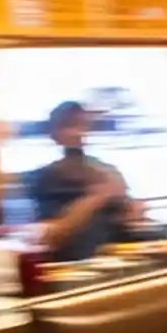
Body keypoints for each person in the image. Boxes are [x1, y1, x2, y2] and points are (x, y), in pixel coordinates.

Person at [29, 101, 144, 262]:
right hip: (75, 265)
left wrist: (133, 210)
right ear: (54, 135)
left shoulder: (106, 170)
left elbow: (127, 220)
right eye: (69, 126)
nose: (77, 132)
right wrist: (95, 198)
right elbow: (50, 237)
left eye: (82, 125)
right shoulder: (45, 178)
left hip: (119, 258)